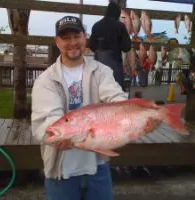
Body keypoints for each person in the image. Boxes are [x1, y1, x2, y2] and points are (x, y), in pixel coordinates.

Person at [31, 15, 129, 200]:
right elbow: (47, 123)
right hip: (60, 172)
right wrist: (61, 135)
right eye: (66, 38)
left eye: (76, 36)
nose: (72, 42)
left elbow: (116, 98)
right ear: (57, 42)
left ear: (85, 38)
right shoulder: (45, 81)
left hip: (97, 167)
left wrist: (135, 115)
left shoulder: (102, 71)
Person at [89, 2, 131, 92]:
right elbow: (127, 47)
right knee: (116, 93)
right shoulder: (120, 26)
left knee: (98, 93)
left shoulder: (96, 26)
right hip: (115, 68)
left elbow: (92, 46)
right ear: (118, 13)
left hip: (98, 67)